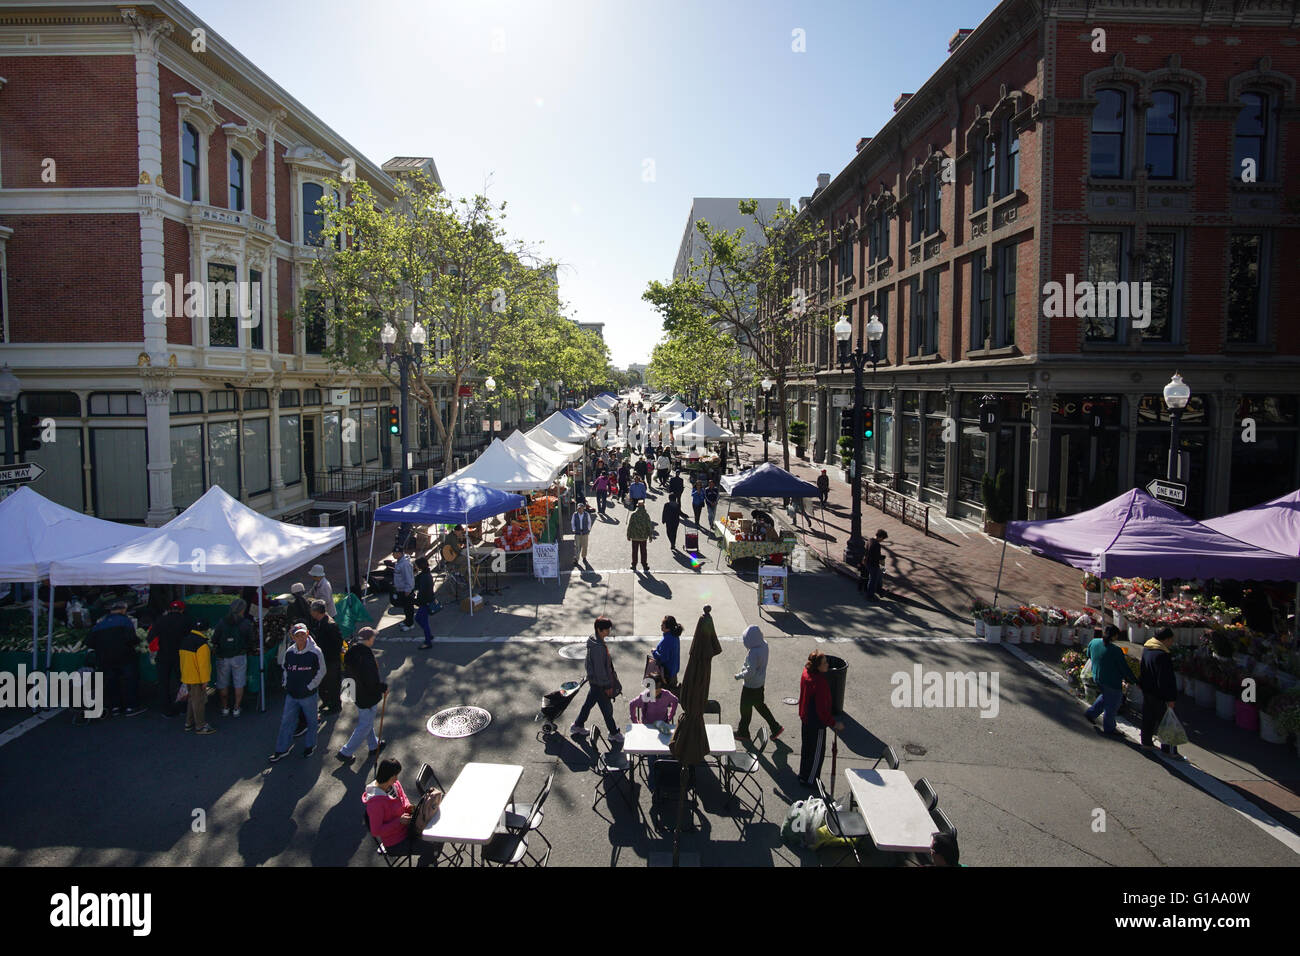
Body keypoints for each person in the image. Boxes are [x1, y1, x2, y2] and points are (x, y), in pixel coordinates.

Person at [363, 757, 438, 861]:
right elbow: (376, 831)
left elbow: (404, 798)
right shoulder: (376, 803)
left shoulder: (394, 785)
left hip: (408, 829)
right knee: (430, 848)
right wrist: (399, 822)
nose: (397, 779)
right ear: (387, 776)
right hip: (396, 842)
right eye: (395, 776)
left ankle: (431, 859)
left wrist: (408, 806)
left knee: (436, 836)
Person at [270, 623, 325, 761]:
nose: (300, 638)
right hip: (292, 694)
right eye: (297, 635)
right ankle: (281, 749)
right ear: (292, 637)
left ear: (307, 634)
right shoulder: (289, 652)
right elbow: (285, 668)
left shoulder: (316, 652)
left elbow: (321, 671)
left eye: (302, 634)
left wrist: (310, 686)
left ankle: (310, 745)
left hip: (308, 695)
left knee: (312, 721)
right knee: (286, 722)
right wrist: (286, 683)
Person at [88, 600, 145, 717]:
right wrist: (137, 641)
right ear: (123, 610)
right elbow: (131, 639)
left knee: (111, 681)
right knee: (130, 680)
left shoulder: (100, 623)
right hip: (124, 656)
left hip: (105, 658)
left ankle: (115, 707)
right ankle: (131, 706)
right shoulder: (125, 621)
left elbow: (89, 641)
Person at [570, 616, 624, 743]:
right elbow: (600, 669)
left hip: (595, 682)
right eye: (606, 630)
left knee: (588, 705)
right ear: (599, 630)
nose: (609, 632)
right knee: (607, 710)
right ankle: (613, 733)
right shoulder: (598, 647)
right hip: (600, 684)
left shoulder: (593, 641)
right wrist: (607, 686)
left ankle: (577, 725)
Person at [338, 626, 386, 763]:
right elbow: (370, 678)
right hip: (367, 695)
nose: (374, 639)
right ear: (368, 639)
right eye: (373, 637)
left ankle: (373, 745)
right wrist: (382, 687)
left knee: (367, 721)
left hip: (356, 692)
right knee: (365, 724)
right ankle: (346, 752)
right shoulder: (365, 655)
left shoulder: (352, 651)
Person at [797, 650, 843, 786]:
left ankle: (803, 774)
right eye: (824, 663)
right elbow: (822, 709)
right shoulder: (820, 683)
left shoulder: (806, 674)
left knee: (806, 749)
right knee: (817, 753)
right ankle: (811, 780)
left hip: (806, 718)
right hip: (817, 723)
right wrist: (834, 723)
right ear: (818, 666)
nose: (827, 665)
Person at [734, 624, 783, 742]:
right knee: (760, 706)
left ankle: (743, 732)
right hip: (760, 684)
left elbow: (750, 672)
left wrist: (739, 676)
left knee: (745, 708)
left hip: (750, 685)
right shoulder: (764, 645)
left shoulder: (753, 653)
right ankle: (775, 727)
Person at [1084, 625, 1130, 737]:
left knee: (1105, 696)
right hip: (1111, 681)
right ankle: (1109, 727)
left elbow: (1088, 654)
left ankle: (1091, 713)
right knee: (1113, 704)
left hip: (1097, 676)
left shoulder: (1094, 642)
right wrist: (1132, 680)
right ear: (1114, 636)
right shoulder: (1116, 650)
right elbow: (1123, 668)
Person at [1139, 627, 1179, 753]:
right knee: (1166, 722)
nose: (1172, 643)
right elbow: (1165, 679)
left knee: (1148, 717)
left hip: (1147, 690)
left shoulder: (1147, 648)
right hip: (1159, 694)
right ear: (1166, 639)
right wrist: (1170, 698)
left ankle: (1146, 742)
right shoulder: (1163, 655)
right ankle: (1168, 749)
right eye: (1171, 640)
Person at [212, 597, 254, 717]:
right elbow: (250, 640)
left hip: (223, 656)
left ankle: (225, 707)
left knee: (222, 682)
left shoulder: (221, 622)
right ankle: (236, 707)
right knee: (239, 682)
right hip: (239, 656)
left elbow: (215, 639)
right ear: (243, 610)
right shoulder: (245, 623)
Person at [149, 600, 191, 717]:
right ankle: (183, 708)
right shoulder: (186, 621)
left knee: (163, 683)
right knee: (182, 682)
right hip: (180, 656)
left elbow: (150, 637)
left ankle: (165, 709)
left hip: (163, 656)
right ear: (182, 610)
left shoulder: (160, 620)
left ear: (170, 609)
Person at [178, 622, 215, 734]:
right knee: (199, 702)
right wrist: (205, 681)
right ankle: (200, 726)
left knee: (191, 700)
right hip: (197, 678)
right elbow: (203, 665)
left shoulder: (185, 640)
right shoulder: (202, 645)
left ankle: (189, 723)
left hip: (186, 676)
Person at [310, 599, 345, 715]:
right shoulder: (319, 622)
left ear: (316, 612)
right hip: (323, 659)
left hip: (330, 660)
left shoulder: (330, 625)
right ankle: (327, 701)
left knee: (332, 683)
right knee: (323, 683)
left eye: (312, 610)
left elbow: (337, 643)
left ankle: (335, 706)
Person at [652, 615, 683, 692]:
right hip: (673, 671)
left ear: (668, 627)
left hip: (666, 674)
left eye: (663, 624)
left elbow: (663, 658)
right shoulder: (675, 636)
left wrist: (654, 652)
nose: (661, 625)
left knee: (665, 697)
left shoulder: (667, 640)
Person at [414, 557, 438, 650]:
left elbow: (423, 591)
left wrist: (417, 601)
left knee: (421, 619)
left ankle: (428, 641)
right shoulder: (426, 574)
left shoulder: (424, 577)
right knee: (423, 620)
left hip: (425, 602)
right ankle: (429, 635)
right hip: (427, 600)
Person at [392, 547, 416, 632]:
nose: (393, 555)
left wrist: (408, 590)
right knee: (405, 608)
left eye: (395, 553)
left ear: (400, 553)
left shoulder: (404, 564)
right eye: (393, 553)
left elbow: (409, 578)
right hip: (401, 589)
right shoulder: (399, 562)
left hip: (406, 590)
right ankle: (407, 621)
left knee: (409, 608)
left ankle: (410, 624)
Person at [626, 501, 655, 573]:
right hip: (643, 537)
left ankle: (634, 565)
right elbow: (649, 526)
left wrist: (628, 535)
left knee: (634, 551)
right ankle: (644, 565)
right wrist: (650, 535)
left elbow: (630, 526)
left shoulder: (634, 515)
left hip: (635, 536)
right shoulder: (646, 515)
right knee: (643, 551)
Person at [862, 529, 889, 600]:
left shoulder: (869, 540)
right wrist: (883, 557)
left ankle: (880, 592)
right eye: (882, 539)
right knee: (873, 580)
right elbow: (876, 556)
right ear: (880, 537)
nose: (882, 540)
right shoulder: (876, 545)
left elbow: (866, 551)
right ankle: (870, 596)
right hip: (873, 564)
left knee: (879, 577)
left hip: (867, 562)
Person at [571, 501, 593, 568]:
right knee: (577, 546)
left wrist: (589, 529)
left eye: (581, 508)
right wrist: (573, 529)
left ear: (583, 508)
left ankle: (584, 557)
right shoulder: (575, 514)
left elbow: (589, 522)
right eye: (578, 508)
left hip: (585, 533)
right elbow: (572, 522)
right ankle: (576, 559)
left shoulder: (587, 514)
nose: (580, 509)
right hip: (577, 532)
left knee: (585, 546)